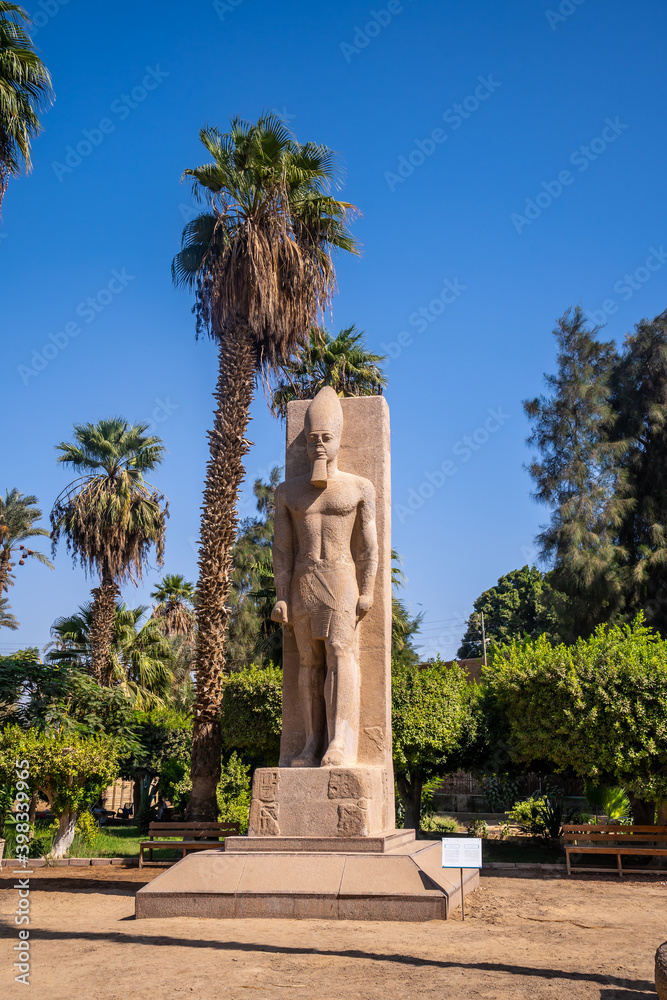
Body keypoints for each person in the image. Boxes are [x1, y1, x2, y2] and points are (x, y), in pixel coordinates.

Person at [271, 387, 378, 767]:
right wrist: (281, 595)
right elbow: (283, 551)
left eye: (326, 438)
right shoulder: (287, 493)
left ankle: (341, 742)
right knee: (307, 662)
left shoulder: (358, 487)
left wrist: (367, 591)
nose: (318, 445)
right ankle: (311, 744)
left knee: (338, 653)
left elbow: (367, 548)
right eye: (313, 438)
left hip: (341, 579)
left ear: (339, 440)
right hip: (303, 582)